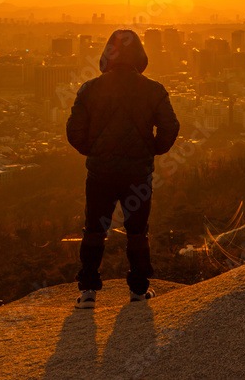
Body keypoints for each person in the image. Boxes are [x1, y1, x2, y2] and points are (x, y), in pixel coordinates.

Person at [66, 29, 180, 308]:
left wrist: (94, 151)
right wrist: (152, 150)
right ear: (140, 56)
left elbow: (74, 131)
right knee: (138, 232)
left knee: (94, 229)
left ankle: (88, 291)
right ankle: (139, 291)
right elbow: (170, 127)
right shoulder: (153, 90)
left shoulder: (90, 89)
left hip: (100, 174)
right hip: (138, 175)